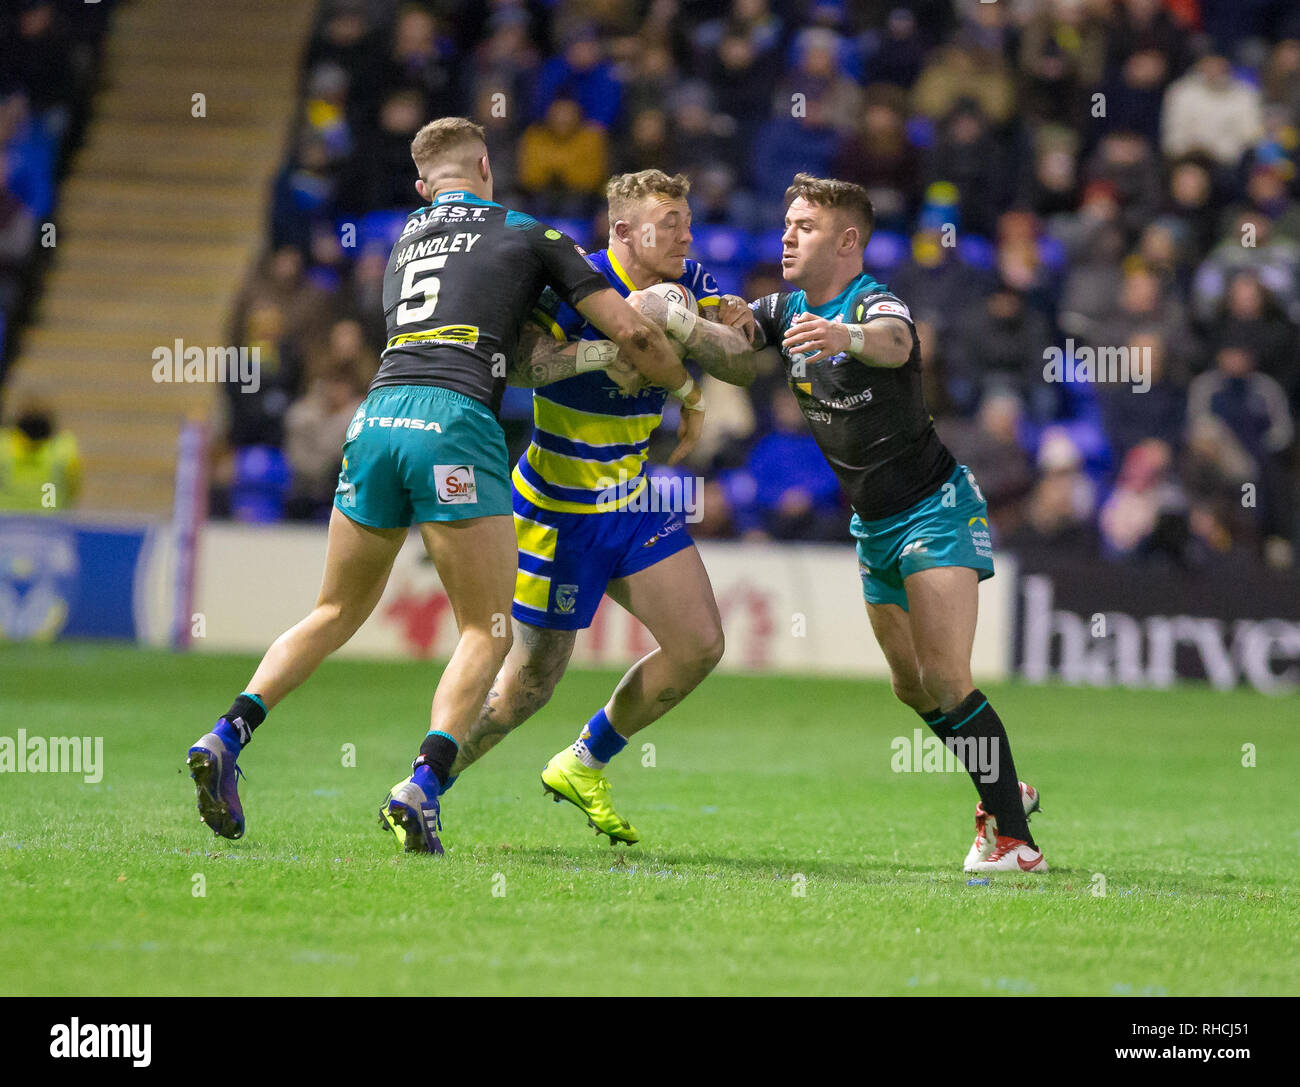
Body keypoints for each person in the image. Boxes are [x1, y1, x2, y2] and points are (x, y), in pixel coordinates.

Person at [185, 118, 704, 855]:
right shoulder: (530, 233)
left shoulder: (404, 240)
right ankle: (422, 787)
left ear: (426, 188)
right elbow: (635, 333)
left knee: (333, 609)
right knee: (486, 629)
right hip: (455, 421)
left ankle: (227, 731)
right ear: (487, 167)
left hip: (376, 416)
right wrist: (687, 389)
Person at [439, 169, 758, 844]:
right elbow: (515, 361)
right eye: (667, 223)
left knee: (700, 644)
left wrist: (683, 325)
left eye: (687, 222)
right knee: (525, 689)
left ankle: (584, 759)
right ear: (622, 230)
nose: (685, 235)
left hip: (632, 501)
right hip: (557, 508)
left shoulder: (690, 281)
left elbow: (743, 362)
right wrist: (596, 352)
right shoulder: (573, 277)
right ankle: (425, 783)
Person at [739, 174, 1046, 873]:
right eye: (787, 223)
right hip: (873, 524)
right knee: (910, 684)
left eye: (805, 226)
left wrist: (841, 333)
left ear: (847, 241)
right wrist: (669, 317)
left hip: (933, 507)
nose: (787, 234)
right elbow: (731, 336)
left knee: (947, 676)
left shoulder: (873, 299)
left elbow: (897, 343)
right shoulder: (784, 309)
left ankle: (1014, 841)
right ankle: (1006, 789)